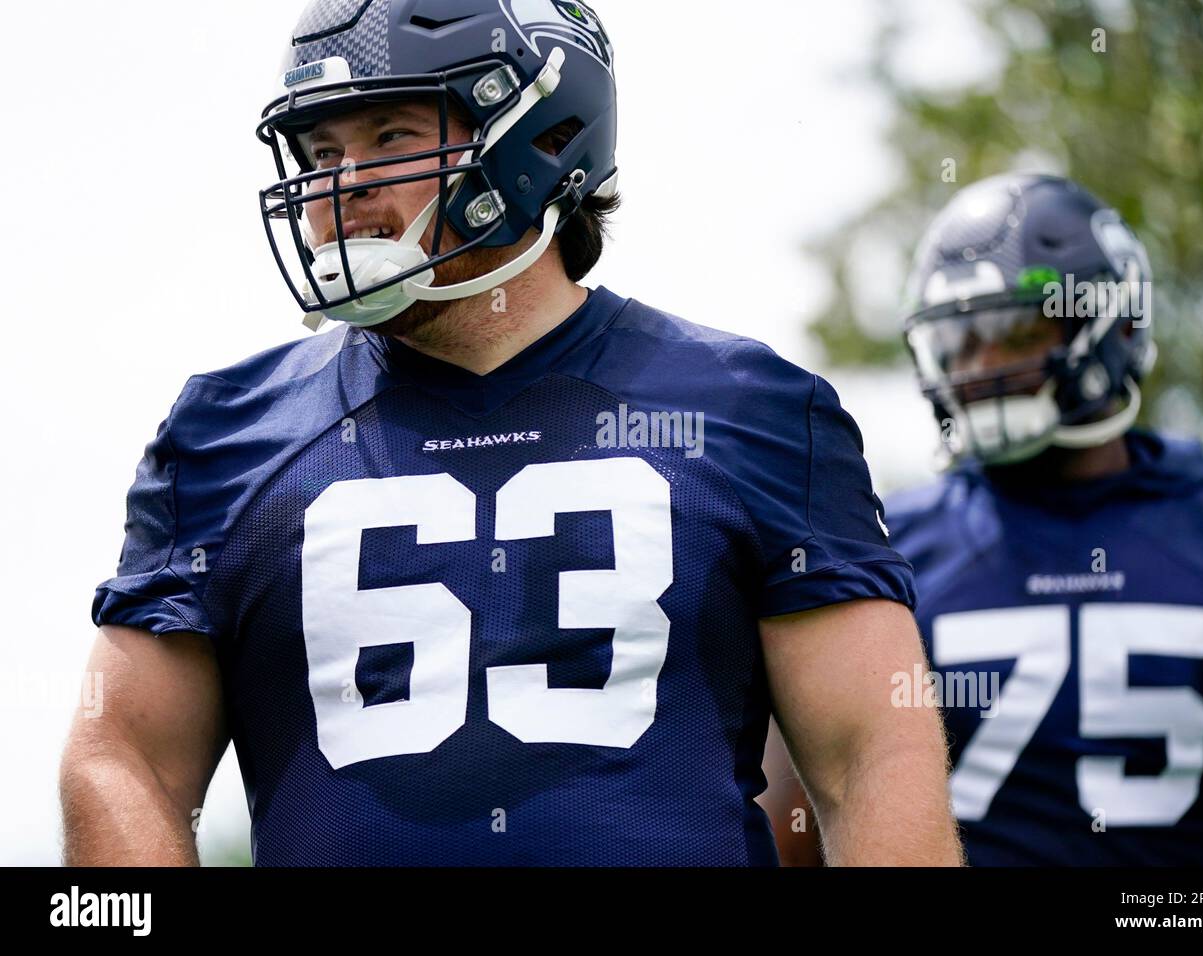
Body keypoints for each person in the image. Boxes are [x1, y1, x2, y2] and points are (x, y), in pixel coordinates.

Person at [61, 0, 961, 867]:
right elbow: (124, 756)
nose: (339, 188)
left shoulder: (750, 410)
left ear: (542, 139)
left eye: (391, 139)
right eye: (320, 149)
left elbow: (870, 752)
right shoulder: (226, 431)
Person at [764, 173, 1203, 866]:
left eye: (1011, 330)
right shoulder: (881, 548)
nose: (979, 365)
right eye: (958, 343)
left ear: (1114, 320)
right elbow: (792, 832)